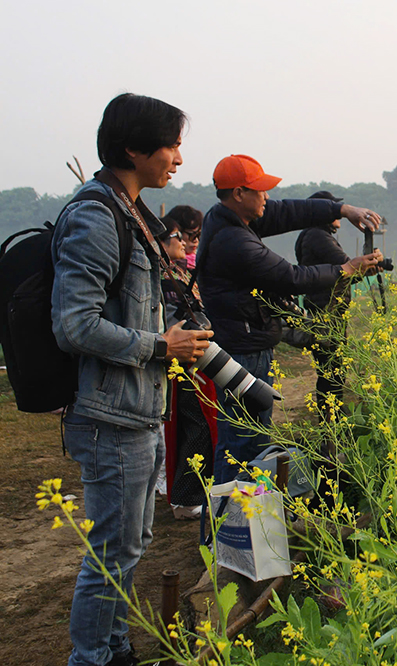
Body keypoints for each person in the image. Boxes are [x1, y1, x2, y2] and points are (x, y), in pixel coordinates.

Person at [51, 93, 213, 666]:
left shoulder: (133, 214)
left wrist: (177, 338)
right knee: (109, 556)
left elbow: (129, 311)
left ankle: (116, 648)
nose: (177, 159)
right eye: (170, 146)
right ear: (133, 149)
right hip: (109, 418)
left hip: (140, 411)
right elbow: (74, 324)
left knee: (130, 546)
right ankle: (92, 658)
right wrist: (158, 345)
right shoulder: (97, 216)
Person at [197, 154, 384, 484]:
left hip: (244, 341)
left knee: (244, 440)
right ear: (239, 193)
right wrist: (347, 269)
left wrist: (343, 209)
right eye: (260, 190)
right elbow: (290, 278)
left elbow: (287, 211)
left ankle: (237, 529)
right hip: (245, 349)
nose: (266, 197)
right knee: (245, 442)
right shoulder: (233, 239)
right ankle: (230, 530)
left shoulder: (231, 219)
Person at [157, 216, 218, 519]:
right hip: (183, 361)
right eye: (177, 236)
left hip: (195, 357)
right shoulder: (163, 278)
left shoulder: (179, 273)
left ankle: (190, 491)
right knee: (196, 426)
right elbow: (172, 321)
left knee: (198, 424)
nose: (183, 242)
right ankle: (184, 497)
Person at [294, 191, 366, 420]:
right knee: (332, 369)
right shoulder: (318, 236)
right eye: (332, 209)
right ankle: (332, 421)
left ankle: (333, 417)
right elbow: (348, 269)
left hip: (322, 309)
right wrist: (365, 266)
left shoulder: (309, 234)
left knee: (331, 368)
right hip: (327, 312)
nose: (338, 214)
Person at [163, 204, 203, 269]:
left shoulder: (199, 263)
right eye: (192, 235)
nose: (196, 240)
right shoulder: (165, 268)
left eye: (199, 235)